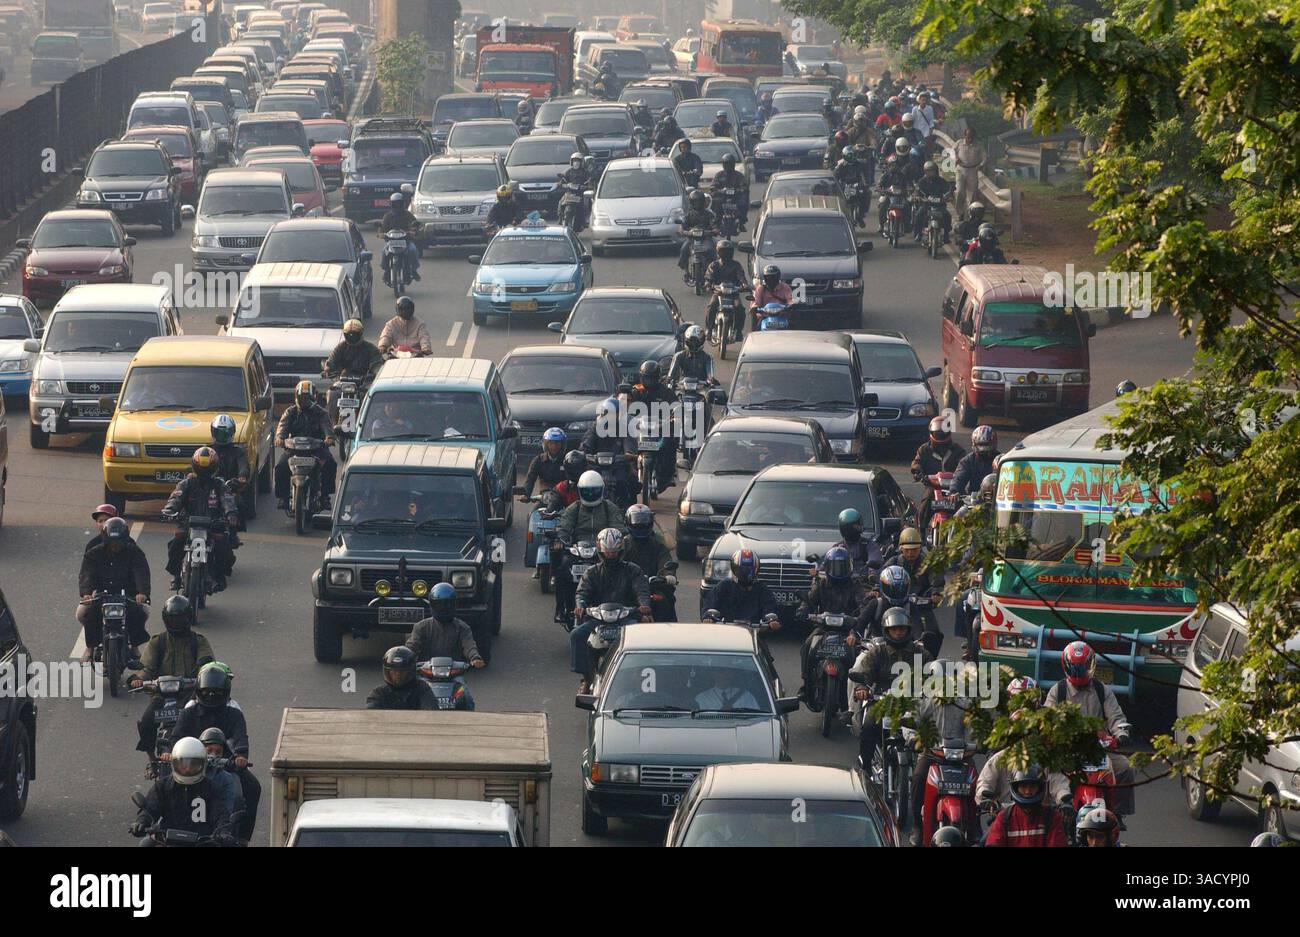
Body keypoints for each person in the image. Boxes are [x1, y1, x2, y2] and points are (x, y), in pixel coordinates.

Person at [1044, 641, 1137, 816]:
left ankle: (1118, 813)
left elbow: (1116, 717)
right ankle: (1051, 812)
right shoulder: (1058, 691)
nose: (1080, 673)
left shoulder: (1102, 690)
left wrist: (1121, 734)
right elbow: (1047, 719)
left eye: (1083, 668)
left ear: (1091, 665)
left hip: (1099, 749)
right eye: (1076, 669)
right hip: (1068, 750)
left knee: (1126, 768)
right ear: (1067, 668)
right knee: (1047, 771)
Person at [170, 662, 259, 844]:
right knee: (164, 785)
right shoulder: (189, 712)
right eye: (207, 691)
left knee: (253, 788)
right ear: (199, 690)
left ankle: (242, 838)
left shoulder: (233, 713)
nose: (211, 695)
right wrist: (167, 752)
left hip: (225, 763)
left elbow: (241, 737)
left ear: (225, 692)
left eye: (216, 692)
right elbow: (176, 737)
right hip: (189, 764)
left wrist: (241, 757)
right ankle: (163, 827)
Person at [132, 595, 213, 759]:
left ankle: (207, 758)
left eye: (180, 619)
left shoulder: (198, 642)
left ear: (188, 618)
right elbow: (147, 667)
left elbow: (207, 665)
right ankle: (152, 759)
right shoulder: (158, 642)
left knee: (206, 725)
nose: (176, 623)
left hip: (191, 695)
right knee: (146, 722)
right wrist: (138, 678)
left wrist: (204, 678)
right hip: (162, 695)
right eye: (173, 619)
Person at [850, 606, 932, 768]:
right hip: (882, 702)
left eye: (901, 629)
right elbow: (864, 673)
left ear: (908, 630)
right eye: (894, 629)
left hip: (913, 703)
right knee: (868, 727)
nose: (898, 632)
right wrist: (861, 688)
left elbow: (934, 674)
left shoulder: (921, 653)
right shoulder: (877, 652)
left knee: (931, 730)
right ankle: (864, 767)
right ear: (887, 631)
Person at [571, 528, 651, 691]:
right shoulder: (591, 572)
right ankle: (586, 678)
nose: (611, 555)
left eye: (614, 552)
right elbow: (582, 593)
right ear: (601, 551)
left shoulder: (633, 570)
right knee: (577, 635)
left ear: (620, 550)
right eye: (608, 552)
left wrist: (643, 605)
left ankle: (641, 676)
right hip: (598, 617)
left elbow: (641, 590)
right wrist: (581, 607)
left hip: (626, 617)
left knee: (645, 641)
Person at [130, 736, 235, 847]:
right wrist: (141, 822)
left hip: (203, 842)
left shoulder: (211, 788)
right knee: (144, 844)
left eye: (193, 764)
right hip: (167, 839)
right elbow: (150, 808)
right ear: (174, 764)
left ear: (202, 764)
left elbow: (221, 814)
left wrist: (223, 832)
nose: (188, 768)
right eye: (183, 764)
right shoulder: (163, 786)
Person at [553, 471, 627, 623]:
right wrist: (561, 540)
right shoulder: (574, 508)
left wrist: (614, 542)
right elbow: (564, 527)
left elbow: (619, 528)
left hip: (604, 551)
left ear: (601, 490)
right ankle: (560, 608)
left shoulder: (609, 508)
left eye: (594, 491)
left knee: (619, 572)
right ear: (580, 491)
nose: (591, 494)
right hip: (577, 552)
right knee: (562, 571)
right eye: (587, 491)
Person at [163, 447, 238, 592]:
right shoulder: (186, 484)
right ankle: (176, 576)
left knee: (225, 551)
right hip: (188, 524)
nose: (204, 472)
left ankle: (218, 576)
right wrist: (170, 510)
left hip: (214, 526)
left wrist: (231, 515)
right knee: (175, 545)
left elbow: (228, 500)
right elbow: (176, 498)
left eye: (208, 468)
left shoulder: (220, 485)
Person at [78, 516, 151, 662]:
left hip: (128, 594)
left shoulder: (134, 552)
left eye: (118, 542)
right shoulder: (94, 553)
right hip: (102, 594)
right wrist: (86, 594)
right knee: (89, 615)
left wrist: (142, 592)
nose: (115, 545)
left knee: (139, 614)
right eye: (112, 542)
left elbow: (141, 572)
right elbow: (87, 574)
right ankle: (90, 648)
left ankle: (135, 646)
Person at [798, 545, 867, 697]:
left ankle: (856, 690)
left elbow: (863, 604)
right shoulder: (821, 583)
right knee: (807, 647)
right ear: (828, 567)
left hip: (848, 630)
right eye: (835, 566)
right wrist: (803, 610)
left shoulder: (855, 585)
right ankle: (806, 685)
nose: (839, 570)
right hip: (823, 628)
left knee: (859, 656)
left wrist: (861, 618)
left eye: (842, 566)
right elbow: (810, 599)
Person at [404, 583, 486, 703]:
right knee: (411, 698)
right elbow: (412, 646)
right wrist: (405, 658)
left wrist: (475, 658)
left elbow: (469, 646)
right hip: (425, 673)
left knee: (467, 698)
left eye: (447, 605)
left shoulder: (462, 628)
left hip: (453, 675)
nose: (443, 608)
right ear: (432, 605)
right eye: (439, 605)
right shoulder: (421, 627)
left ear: (454, 605)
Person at [882, 526, 944, 658]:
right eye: (907, 550)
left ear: (920, 548)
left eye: (914, 550)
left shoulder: (928, 562)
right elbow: (882, 578)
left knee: (934, 634)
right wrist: (876, 590)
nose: (911, 553)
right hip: (895, 605)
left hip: (921, 605)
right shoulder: (893, 562)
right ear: (901, 549)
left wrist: (936, 593)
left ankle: (930, 662)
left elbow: (936, 579)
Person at [274, 381, 337, 511]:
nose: (304, 401)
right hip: (293, 450)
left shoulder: (321, 413)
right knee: (280, 467)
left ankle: (325, 496)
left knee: (330, 464)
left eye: (307, 398)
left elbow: (327, 427)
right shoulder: (290, 412)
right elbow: (282, 427)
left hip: (317, 450)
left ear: (313, 398)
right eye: (301, 398)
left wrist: (329, 438)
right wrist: (280, 438)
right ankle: (283, 497)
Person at [984, 765, 1069, 847]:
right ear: (1016, 788)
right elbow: (994, 842)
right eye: (1023, 786)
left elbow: (1057, 843)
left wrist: (1064, 798)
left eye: (1032, 786)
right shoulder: (1004, 817)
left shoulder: (1052, 817)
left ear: (1039, 788)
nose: (1028, 791)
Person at [627, 360, 678, 490]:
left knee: (672, 441)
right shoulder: (636, 391)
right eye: (646, 377)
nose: (649, 381)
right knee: (623, 443)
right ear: (641, 377)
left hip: (660, 428)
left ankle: (669, 473)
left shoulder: (666, 392)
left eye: (652, 378)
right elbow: (626, 406)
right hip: (640, 428)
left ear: (657, 378)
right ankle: (630, 472)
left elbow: (676, 406)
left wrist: (675, 416)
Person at [912, 416, 967, 527]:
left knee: (967, 509)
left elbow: (965, 466)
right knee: (924, 507)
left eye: (943, 434)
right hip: (933, 487)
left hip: (955, 489)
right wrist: (918, 472)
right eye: (938, 434)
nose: (941, 436)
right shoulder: (924, 450)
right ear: (931, 433)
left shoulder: (958, 450)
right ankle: (921, 533)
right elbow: (917, 462)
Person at [579, 398, 636, 504]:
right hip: (596, 466)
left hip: (618, 466)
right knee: (583, 481)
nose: (610, 416)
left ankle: (629, 509)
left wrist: (629, 453)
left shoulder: (624, 428)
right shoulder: (595, 427)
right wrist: (584, 452)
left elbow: (628, 442)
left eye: (614, 413)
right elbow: (587, 442)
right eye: (607, 413)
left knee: (631, 482)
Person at [624, 504, 675, 620]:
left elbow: (666, 561)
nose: (640, 525)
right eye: (637, 521)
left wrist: (668, 575)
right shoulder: (623, 544)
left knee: (665, 601)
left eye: (644, 521)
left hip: (653, 587)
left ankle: (668, 633)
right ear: (628, 521)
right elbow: (614, 562)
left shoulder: (657, 545)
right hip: (627, 587)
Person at [700, 549, 780, 624]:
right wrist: (708, 617)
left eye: (748, 570)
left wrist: (771, 620)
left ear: (756, 570)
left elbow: (770, 608)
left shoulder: (761, 589)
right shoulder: (724, 587)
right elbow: (710, 604)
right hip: (726, 631)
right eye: (742, 569)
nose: (745, 573)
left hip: (755, 633)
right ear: (734, 569)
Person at [208, 414, 250, 538]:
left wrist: (242, 476)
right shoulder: (207, 450)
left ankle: (234, 532)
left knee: (240, 504)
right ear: (213, 432)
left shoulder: (238, 451)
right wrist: (191, 473)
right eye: (219, 433)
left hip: (229, 488)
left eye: (225, 433)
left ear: (231, 433)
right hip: (208, 486)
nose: (222, 436)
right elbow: (195, 462)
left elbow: (244, 466)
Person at [365, 645, 439, 710]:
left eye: (402, 672)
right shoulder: (379, 694)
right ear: (387, 672)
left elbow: (431, 712)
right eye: (393, 672)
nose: (397, 675)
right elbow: (370, 717)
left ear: (410, 671)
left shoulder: (422, 689)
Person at [704, 239, 748, 341]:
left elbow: (741, 276)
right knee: (711, 306)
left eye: (728, 251)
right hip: (719, 293)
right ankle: (709, 330)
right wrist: (709, 285)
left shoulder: (736, 265)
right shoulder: (714, 265)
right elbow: (708, 277)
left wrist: (745, 285)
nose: (725, 253)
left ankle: (738, 332)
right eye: (723, 251)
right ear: (718, 252)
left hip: (734, 294)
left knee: (740, 308)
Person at [378, 190, 420, 283]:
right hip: (391, 242)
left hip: (406, 242)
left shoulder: (408, 215)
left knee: (413, 250)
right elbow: (382, 229)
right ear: (391, 204)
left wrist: (413, 231)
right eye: (395, 204)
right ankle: (386, 271)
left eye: (399, 204)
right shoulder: (387, 216)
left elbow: (414, 225)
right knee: (384, 252)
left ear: (402, 204)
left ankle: (414, 270)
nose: (397, 206)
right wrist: (381, 234)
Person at [829, 507, 884, 578]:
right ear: (848, 528)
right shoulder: (837, 548)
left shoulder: (870, 545)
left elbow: (875, 561)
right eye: (857, 526)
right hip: (842, 585)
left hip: (864, 585)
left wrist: (872, 574)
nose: (860, 527)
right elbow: (826, 566)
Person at [677, 187, 716, 279]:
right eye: (695, 202)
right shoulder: (689, 215)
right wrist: (683, 231)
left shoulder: (709, 214)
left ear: (703, 202)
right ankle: (686, 272)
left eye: (699, 201)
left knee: (712, 251)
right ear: (691, 202)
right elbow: (682, 226)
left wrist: (714, 230)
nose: (697, 204)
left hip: (706, 238)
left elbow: (715, 225)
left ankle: (713, 272)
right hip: (692, 239)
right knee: (683, 250)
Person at [952, 424, 1000, 497]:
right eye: (980, 445)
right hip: (973, 502)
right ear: (974, 444)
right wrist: (955, 492)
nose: (983, 449)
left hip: (997, 500)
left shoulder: (1001, 460)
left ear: (994, 444)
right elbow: (959, 478)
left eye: (986, 445)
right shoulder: (968, 460)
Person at [519, 427, 568, 498]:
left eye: (557, 443)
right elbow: (530, 480)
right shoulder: (538, 460)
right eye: (551, 443)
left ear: (562, 444)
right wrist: (526, 494)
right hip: (545, 497)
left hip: (563, 497)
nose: (554, 446)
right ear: (546, 444)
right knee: (535, 510)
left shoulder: (567, 460)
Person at [912, 159, 952, 241]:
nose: (931, 173)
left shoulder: (942, 181)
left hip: (940, 206)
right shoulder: (922, 181)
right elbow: (917, 191)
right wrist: (917, 197)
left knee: (948, 216)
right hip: (927, 205)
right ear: (925, 172)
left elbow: (948, 191)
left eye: (933, 171)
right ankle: (918, 234)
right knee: (918, 215)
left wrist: (949, 197)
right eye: (929, 171)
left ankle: (946, 235)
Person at [710, 152, 748, 230]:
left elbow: (744, 186)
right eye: (726, 164)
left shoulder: (739, 175)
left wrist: (740, 190)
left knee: (744, 201)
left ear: (733, 164)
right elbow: (713, 186)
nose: (728, 166)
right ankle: (717, 222)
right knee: (715, 202)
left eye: (730, 164)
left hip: (735, 197)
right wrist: (718, 190)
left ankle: (742, 221)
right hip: (722, 197)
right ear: (723, 164)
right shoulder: (719, 175)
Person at [694, 667, 760, 711]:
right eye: (721, 671)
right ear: (713, 674)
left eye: (729, 671)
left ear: (733, 674)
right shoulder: (702, 698)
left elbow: (757, 718)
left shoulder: (746, 696)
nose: (725, 675)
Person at [954, 126, 985, 215]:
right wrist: (955, 158)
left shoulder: (978, 145)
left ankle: (970, 213)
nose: (970, 139)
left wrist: (981, 165)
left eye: (971, 137)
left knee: (972, 194)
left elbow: (984, 157)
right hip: (961, 169)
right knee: (960, 191)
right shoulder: (959, 143)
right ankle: (960, 213)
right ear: (965, 136)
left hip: (972, 170)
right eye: (968, 137)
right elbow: (951, 151)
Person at [557, 152, 592, 230]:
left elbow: (590, 183)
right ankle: (560, 218)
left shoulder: (585, 172)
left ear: (581, 162)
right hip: (570, 194)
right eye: (574, 161)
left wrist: (585, 186)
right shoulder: (568, 171)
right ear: (571, 162)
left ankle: (585, 220)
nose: (576, 163)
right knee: (560, 203)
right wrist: (564, 185)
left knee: (587, 205)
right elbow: (561, 182)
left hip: (581, 194)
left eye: (578, 161)